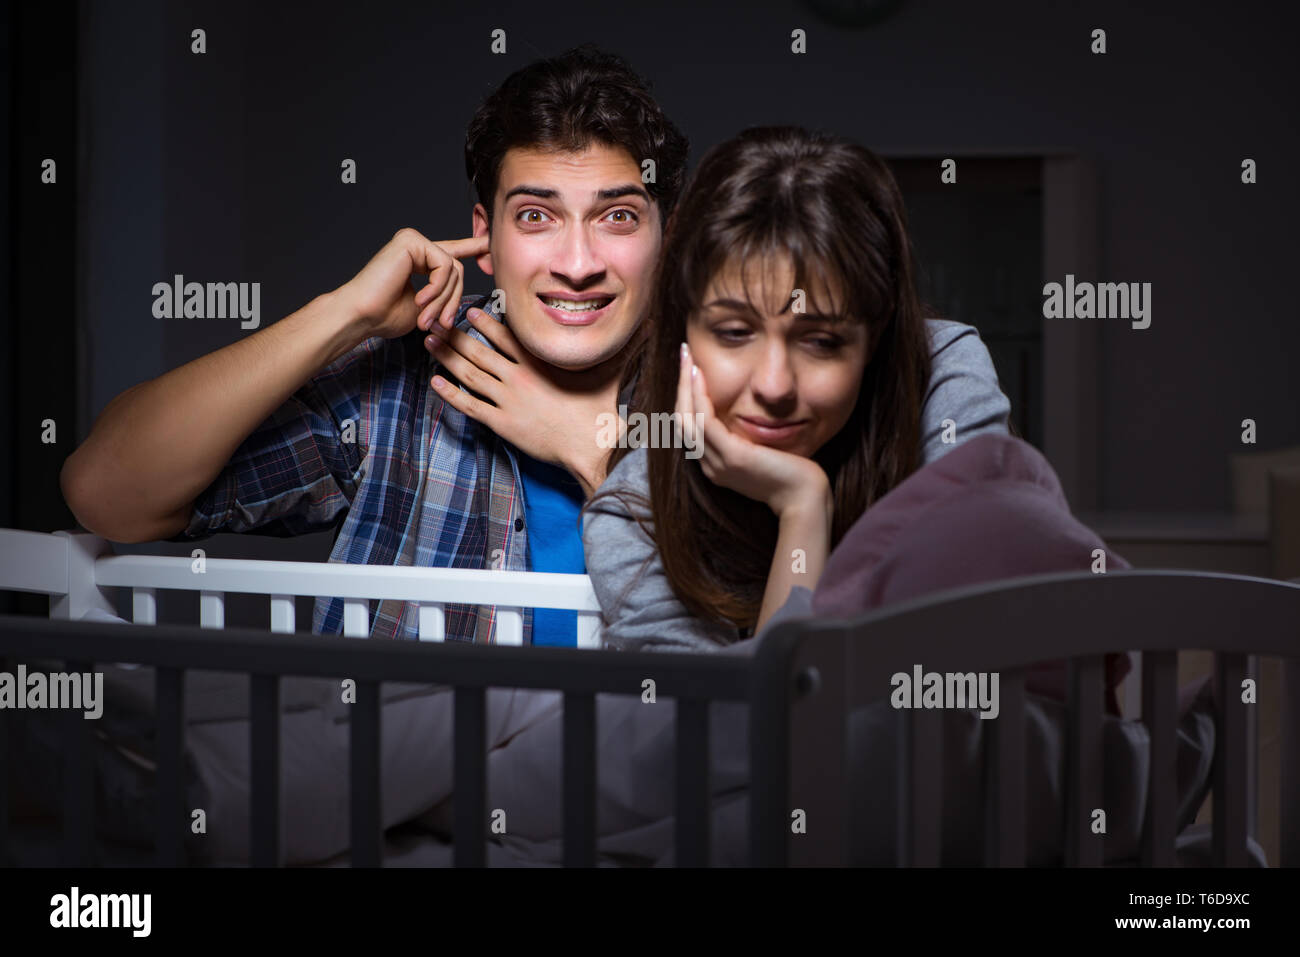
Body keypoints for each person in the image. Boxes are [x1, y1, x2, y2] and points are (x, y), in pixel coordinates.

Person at [59, 45, 688, 644]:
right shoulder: (408, 386)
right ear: (486, 238)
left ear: (666, 238)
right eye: (534, 216)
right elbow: (107, 495)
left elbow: (754, 624)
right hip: (416, 761)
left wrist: (589, 451)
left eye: (618, 217)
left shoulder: (728, 388)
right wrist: (342, 316)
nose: (577, 263)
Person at [580, 126, 1013, 651]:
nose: (774, 385)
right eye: (734, 333)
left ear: (874, 341)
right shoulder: (633, 511)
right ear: (682, 332)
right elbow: (739, 728)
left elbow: (971, 633)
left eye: (822, 342)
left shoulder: (941, 373)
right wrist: (803, 506)